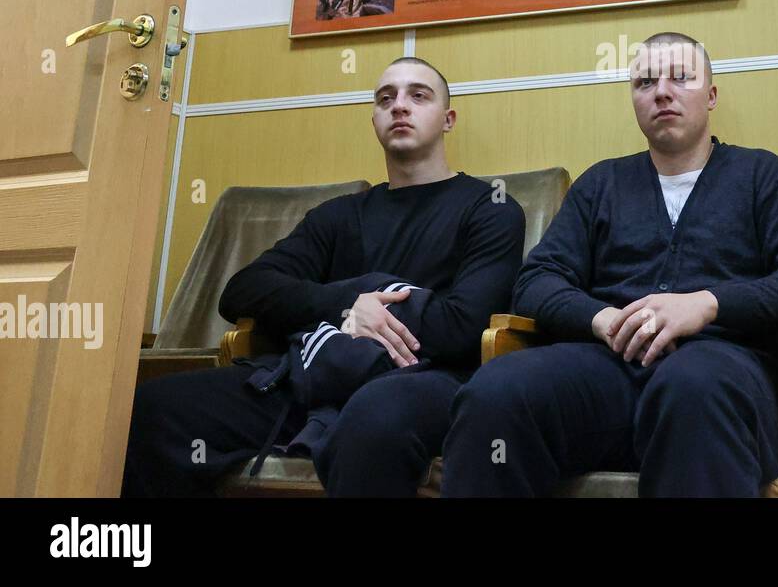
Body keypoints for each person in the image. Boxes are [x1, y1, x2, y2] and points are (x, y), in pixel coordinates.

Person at [440, 33, 778, 497]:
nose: (662, 92)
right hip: (607, 371)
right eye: (645, 82)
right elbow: (535, 281)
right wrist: (602, 319)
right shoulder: (600, 183)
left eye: (681, 78)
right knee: (496, 390)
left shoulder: (764, 176)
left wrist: (706, 304)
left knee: (692, 387)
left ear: (711, 95)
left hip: (719, 370)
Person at [122, 58, 526, 497]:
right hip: (317, 373)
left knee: (374, 419)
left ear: (448, 119)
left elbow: (464, 325)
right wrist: (351, 303)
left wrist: (378, 312)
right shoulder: (339, 215)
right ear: (374, 120)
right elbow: (243, 290)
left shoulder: (491, 208)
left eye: (418, 95)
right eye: (385, 98)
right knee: (155, 408)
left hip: (428, 379)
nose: (399, 106)